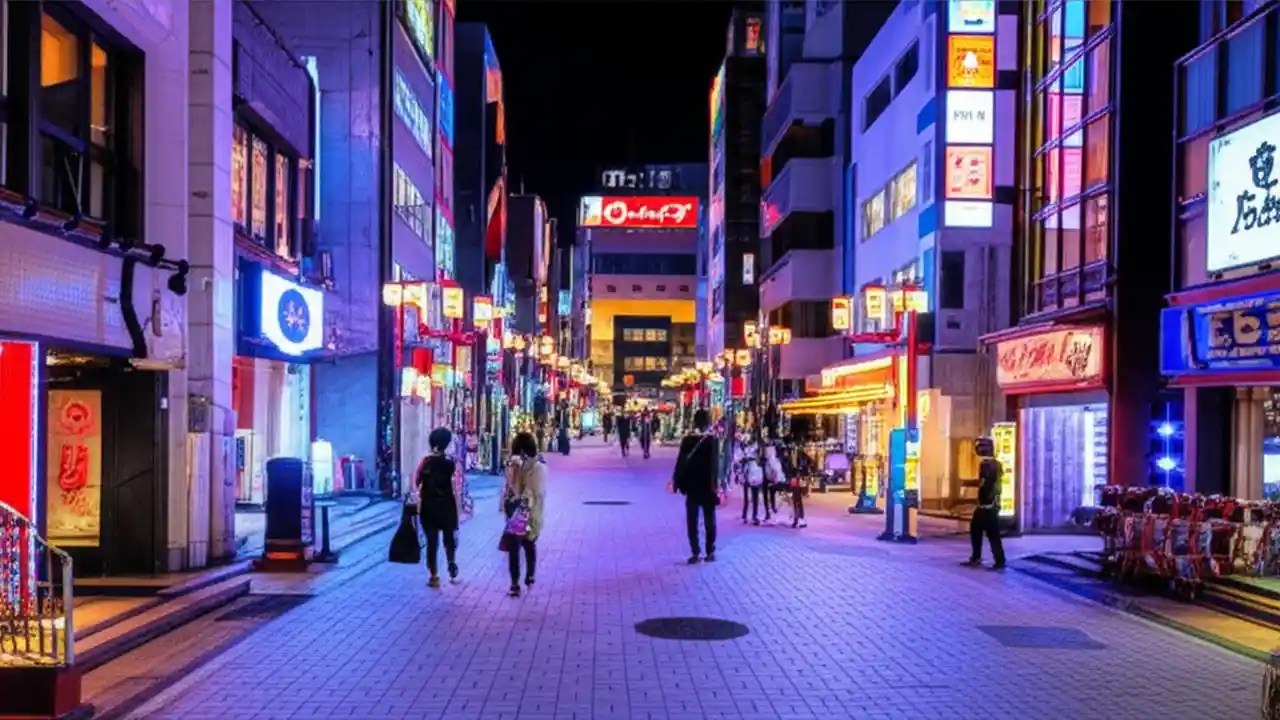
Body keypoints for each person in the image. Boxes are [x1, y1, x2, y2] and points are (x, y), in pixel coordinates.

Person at [502, 431, 546, 597]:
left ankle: (530, 575)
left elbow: (538, 492)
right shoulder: (515, 466)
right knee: (514, 548)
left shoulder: (539, 468)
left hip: (531, 513)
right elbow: (509, 488)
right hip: (517, 513)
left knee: (529, 544)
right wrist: (512, 471)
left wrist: (524, 496)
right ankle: (514, 583)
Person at [416, 427, 460, 588]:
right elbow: (456, 486)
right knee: (449, 538)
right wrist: (458, 509)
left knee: (431, 542)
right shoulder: (451, 463)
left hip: (429, 506)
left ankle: (434, 575)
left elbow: (417, 481)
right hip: (447, 506)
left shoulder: (425, 462)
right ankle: (451, 562)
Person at [673, 409, 719, 564]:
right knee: (709, 519)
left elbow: (681, 462)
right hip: (708, 486)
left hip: (692, 485)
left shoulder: (688, 440)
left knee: (692, 520)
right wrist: (718, 485)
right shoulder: (712, 441)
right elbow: (717, 465)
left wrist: (677, 482)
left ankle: (695, 552)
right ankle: (710, 550)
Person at [966, 437, 1006, 570]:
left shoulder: (989, 465)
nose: (977, 449)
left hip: (988, 506)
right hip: (987, 505)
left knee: (991, 533)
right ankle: (980, 557)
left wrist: (983, 492)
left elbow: (987, 483)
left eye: (980, 447)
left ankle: (998, 560)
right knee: (978, 530)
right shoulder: (992, 464)